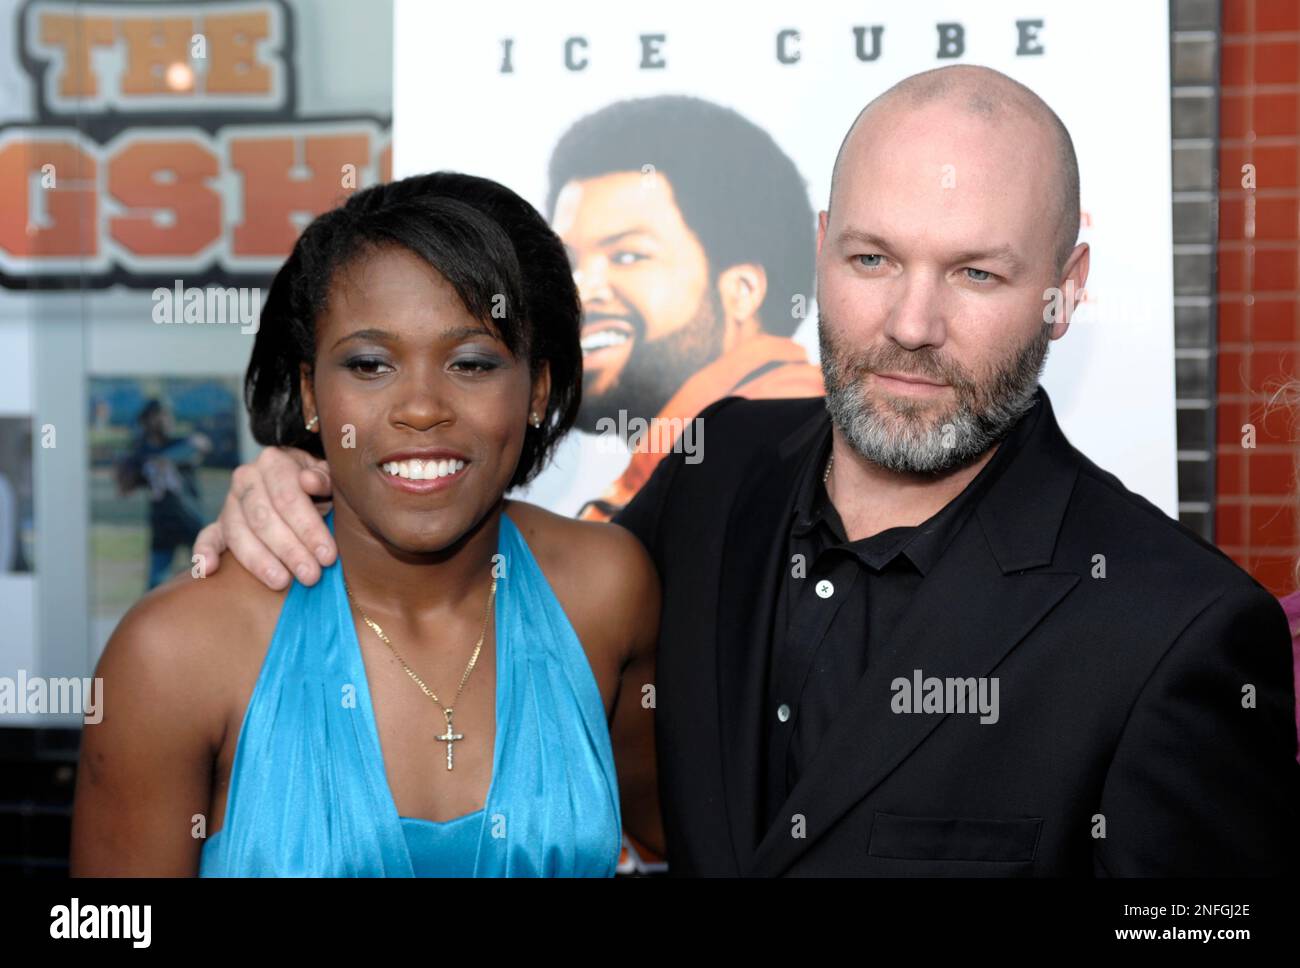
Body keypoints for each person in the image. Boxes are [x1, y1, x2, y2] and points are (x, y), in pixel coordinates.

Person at [191, 66, 1300, 875]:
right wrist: (303, 476)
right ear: (820, 246)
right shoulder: (713, 472)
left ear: (1066, 285)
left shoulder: (1176, 631)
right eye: (872, 258)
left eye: (976, 272)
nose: (911, 323)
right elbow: (490, 567)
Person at [71, 172, 661, 876]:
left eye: (471, 362)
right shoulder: (176, 653)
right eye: (370, 364)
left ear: (536, 388)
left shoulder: (606, 592)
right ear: (309, 393)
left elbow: (692, 835)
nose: (419, 407)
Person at [546, 96, 824, 521]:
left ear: (743, 290)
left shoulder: (777, 449)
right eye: (568, 264)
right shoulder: (676, 462)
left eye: (627, 256)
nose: (580, 291)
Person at [116, 399, 211, 589]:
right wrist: (129, 468)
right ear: (146, 420)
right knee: (156, 583)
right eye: (159, 415)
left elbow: (202, 444)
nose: (165, 420)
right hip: (163, 526)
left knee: (204, 578)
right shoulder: (141, 453)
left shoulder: (180, 444)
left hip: (190, 520)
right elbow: (125, 488)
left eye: (167, 415)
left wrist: (163, 459)